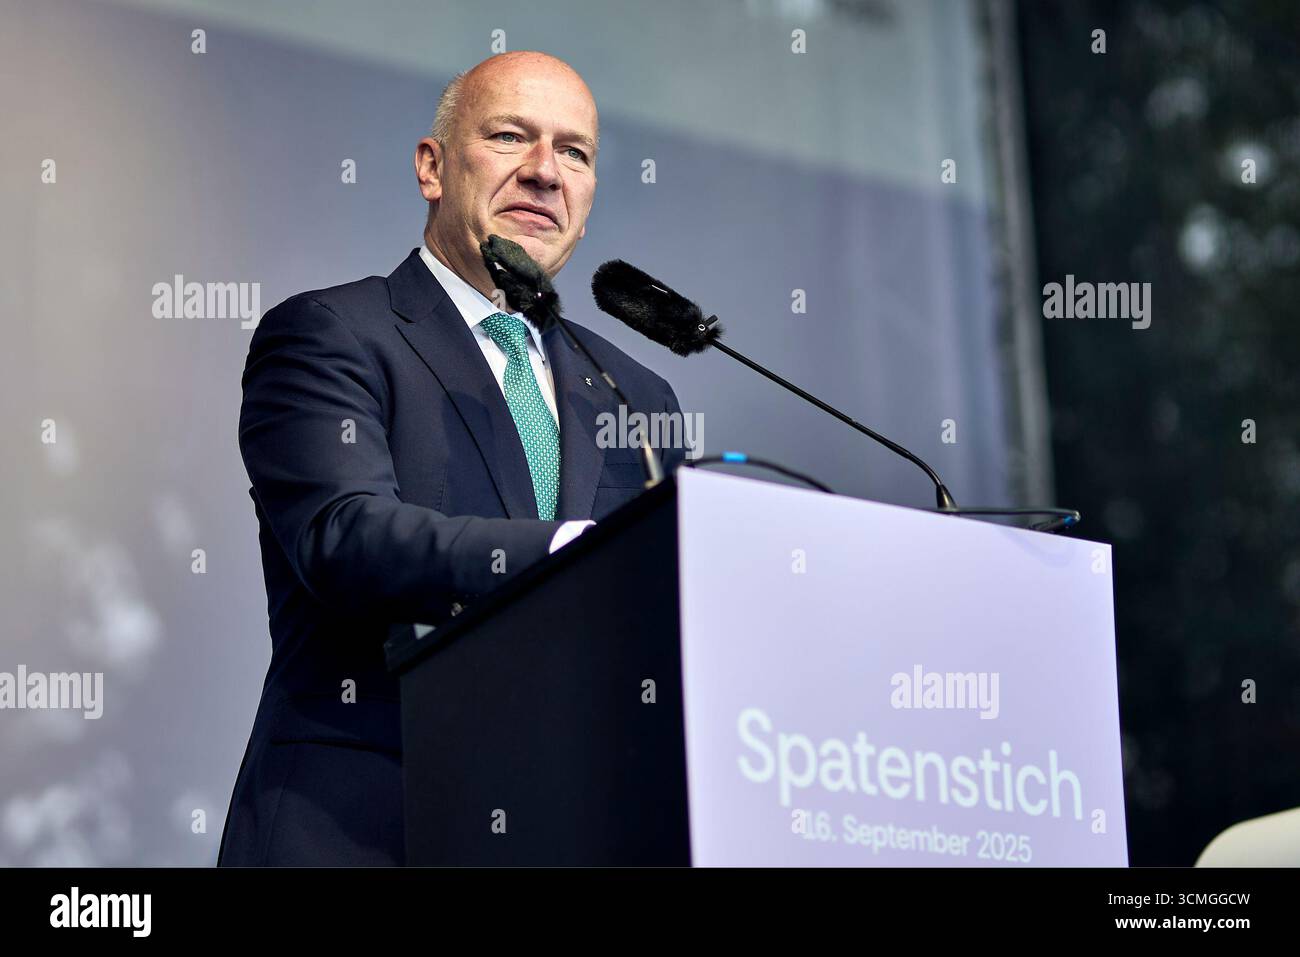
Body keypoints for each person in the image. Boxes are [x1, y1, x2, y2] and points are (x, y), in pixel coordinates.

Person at [218, 51, 686, 866]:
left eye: (574, 152)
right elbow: (345, 538)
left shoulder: (634, 395)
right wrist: (578, 556)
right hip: (368, 829)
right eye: (511, 137)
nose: (546, 172)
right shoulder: (334, 334)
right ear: (432, 167)